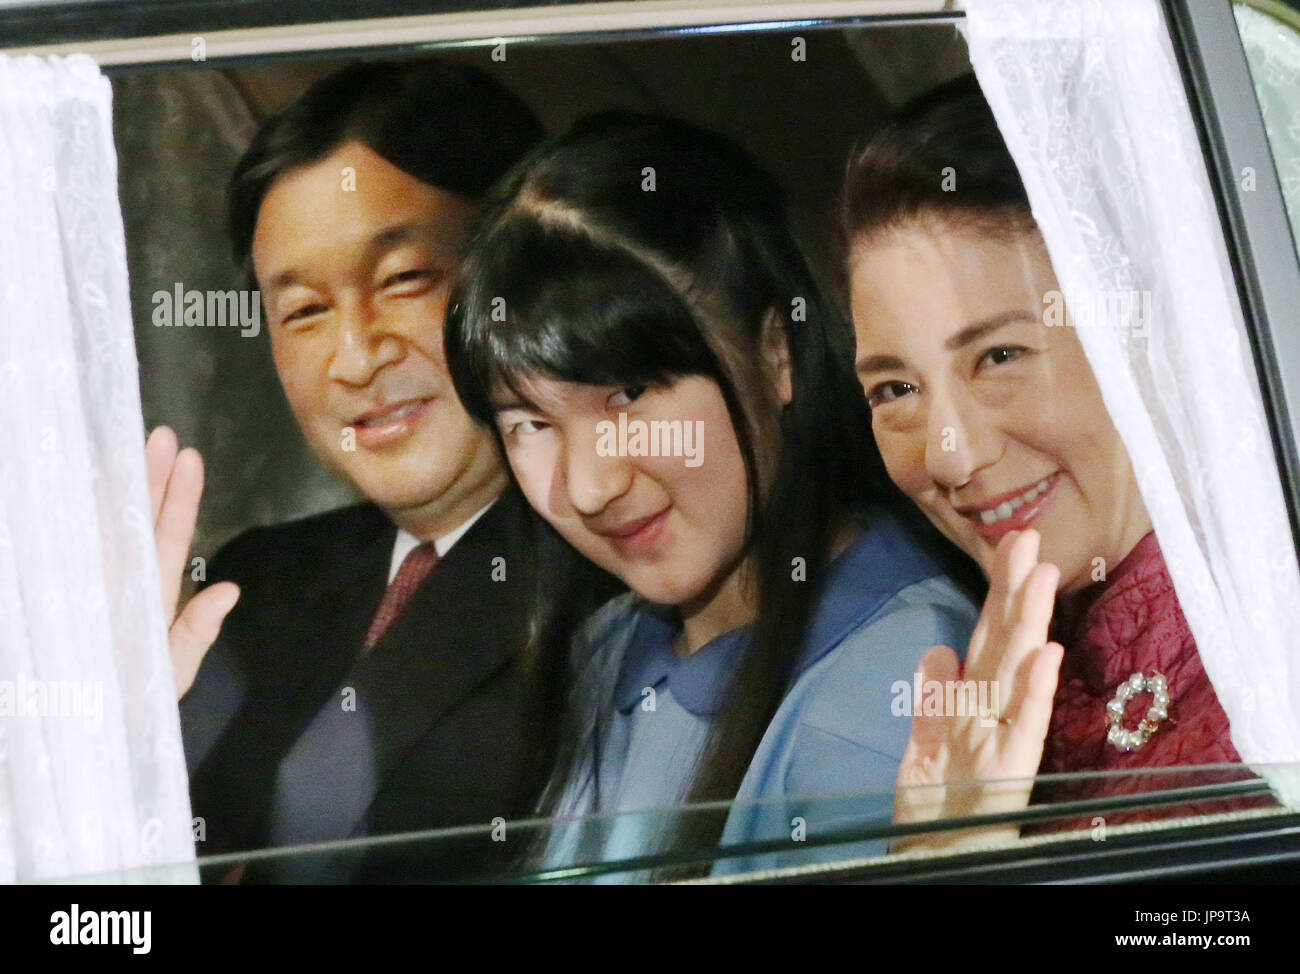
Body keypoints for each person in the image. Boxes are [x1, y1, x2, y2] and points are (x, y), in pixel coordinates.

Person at [443, 111, 980, 879]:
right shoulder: (610, 645)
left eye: (630, 393)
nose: (591, 486)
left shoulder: (900, 687)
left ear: (777, 353)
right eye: (529, 423)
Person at [839, 74, 1273, 845]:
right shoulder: (990, 678)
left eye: (999, 355)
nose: (953, 455)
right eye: (896, 388)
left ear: (1146, 339)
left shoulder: (1266, 696)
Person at [171, 59, 552, 881]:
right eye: (304, 310)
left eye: (403, 279)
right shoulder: (250, 584)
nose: (355, 355)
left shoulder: (623, 579)